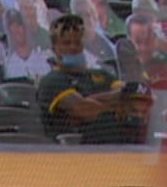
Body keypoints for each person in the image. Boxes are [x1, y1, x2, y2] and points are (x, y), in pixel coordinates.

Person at [36, 13, 148, 145]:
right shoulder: (52, 81)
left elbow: (129, 96)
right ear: (55, 49)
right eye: (67, 43)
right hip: (80, 151)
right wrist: (115, 105)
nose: (73, 47)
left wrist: (92, 100)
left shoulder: (102, 74)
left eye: (77, 42)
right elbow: (83, 110)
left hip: (123, 147)